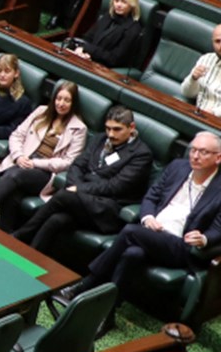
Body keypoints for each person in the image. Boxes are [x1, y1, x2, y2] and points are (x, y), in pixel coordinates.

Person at [64, 132, 221, 303]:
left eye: (203, 152)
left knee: (130, 231)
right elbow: (151, 196)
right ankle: (109, 308)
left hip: (180, 244)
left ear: (218, 158)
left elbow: (218, 229)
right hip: (152, 233)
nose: (195, 156)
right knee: (133, 254)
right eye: (193, 150)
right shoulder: (178, 167)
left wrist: (203, 239)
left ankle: (87, 283)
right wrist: (147, 217)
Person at [12, 107, 153, 265]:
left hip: (107, 208)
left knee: (63, 196)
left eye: (117, 129)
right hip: (82, 201)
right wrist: (77, 187)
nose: (111, 134)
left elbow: (115, 187)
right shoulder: (99, 139)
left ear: (131, 127)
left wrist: (79, 189)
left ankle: (20, 236)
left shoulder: (141, 154)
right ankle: (28, 260)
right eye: (108, 128)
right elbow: (77, 165)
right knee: (56, 220)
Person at [0, 81, 87, 228]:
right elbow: (17, 135)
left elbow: (68, 162)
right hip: (23, 160)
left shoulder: (79, 128)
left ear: (73, 103)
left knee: (15, 174)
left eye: (67, 100)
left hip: (45, 171)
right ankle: (4, 233)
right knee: (13, 194)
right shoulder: (41, 112)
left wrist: (35, 163)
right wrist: (19, 156)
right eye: (59, 98)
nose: (61, 103)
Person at [67, 0, 143, 70]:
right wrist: (81, 50)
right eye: (116, 1)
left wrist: (88, 50)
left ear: (132, 4)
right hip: (87, 58)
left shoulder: (133, 29)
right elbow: (88, 38)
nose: (118, 5)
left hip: (104, 68)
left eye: (123, 2)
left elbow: (114, 59)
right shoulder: (108, 16)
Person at [181, 24, 221, 116]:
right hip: (197, 116)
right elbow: (187, 93)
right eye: (218, 41)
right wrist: (193, 79)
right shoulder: (206, 59)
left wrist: (214, 113)